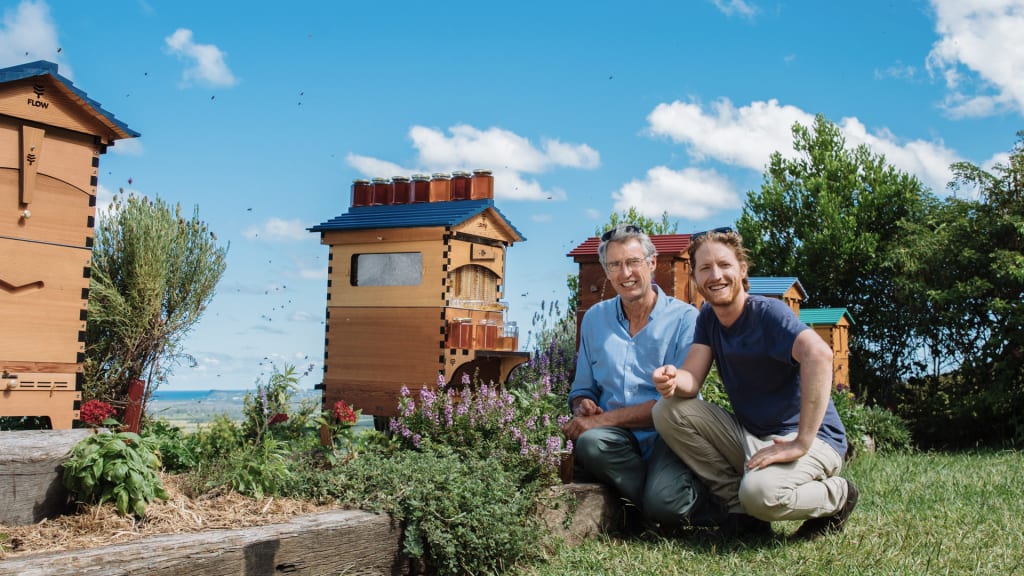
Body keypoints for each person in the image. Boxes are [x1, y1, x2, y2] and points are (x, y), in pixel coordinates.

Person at [651, 227, 857, 539]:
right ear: (695, 277)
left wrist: (800, 442)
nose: (715, 275)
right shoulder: (708, 318)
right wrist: (671, 378)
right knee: (667, 410)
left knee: (762, 494)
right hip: (756, 437)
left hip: (815, 440)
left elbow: (819, 354)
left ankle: (838, 496)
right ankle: (741, 511)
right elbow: (691, 381)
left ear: (742, 269)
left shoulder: (768, 313)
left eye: (724, 265)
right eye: (705, 268)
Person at [562, 224, 723, 533]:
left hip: (670, 435)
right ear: (606, 272)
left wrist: (602, 420)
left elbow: (675, 403)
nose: (626, 273)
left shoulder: (685, 318)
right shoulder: (595, 319)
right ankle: (654, 505)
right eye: (615, 265)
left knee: (665, 502)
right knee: (591, 444)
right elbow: (582, 388)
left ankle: (711, 508)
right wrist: (585, 405)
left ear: (651, 263)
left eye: (633, 262)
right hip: (617, 442)